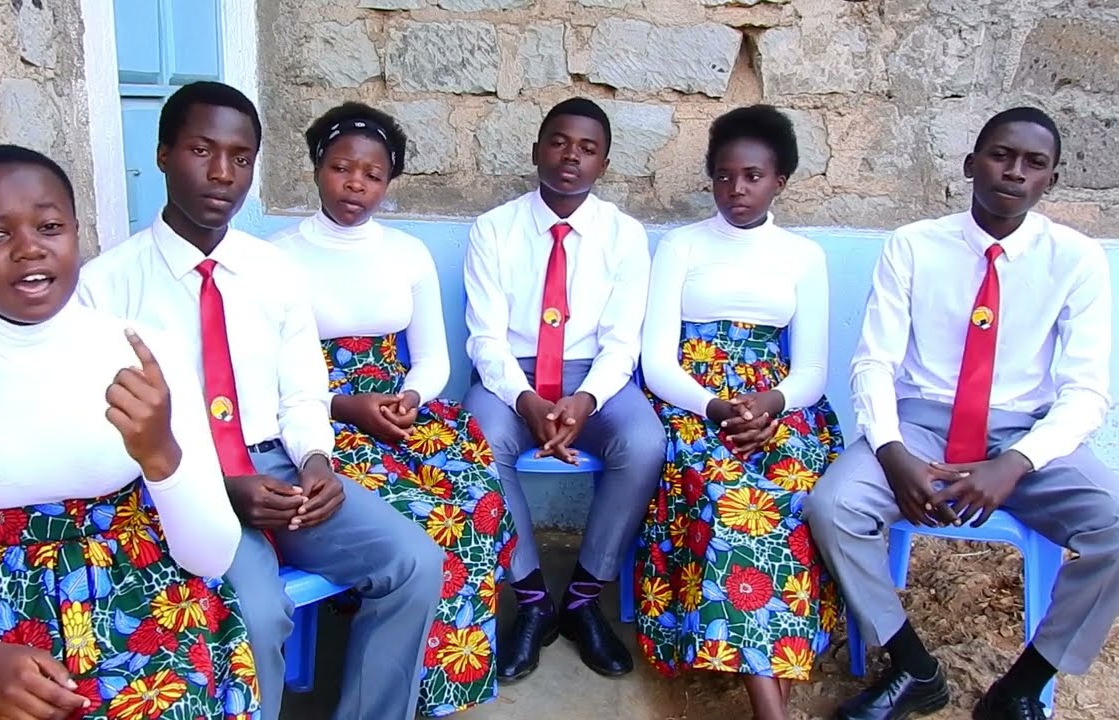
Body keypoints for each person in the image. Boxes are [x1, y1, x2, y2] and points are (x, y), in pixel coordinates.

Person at [77, 81, 443, 720]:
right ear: (162, 154)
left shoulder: (274, 273)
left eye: (241, 157)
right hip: (175, 483)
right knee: (257, 609)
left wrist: (317, 464)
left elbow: (303, 390)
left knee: (413, 562)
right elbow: (103, 430)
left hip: (278, 470)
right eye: (201, 150)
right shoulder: (106, 287)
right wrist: (217, 483)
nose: (222, 173)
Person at [0, 144, 259, 719]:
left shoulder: (143, 357)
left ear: (76, 232)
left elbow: (211, 557)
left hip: (140, 601)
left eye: (49, 226)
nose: (29, 249)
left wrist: (161, 456)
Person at [804, 107, 1119, 720]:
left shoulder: (1077, 259)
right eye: (1000, 155)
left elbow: (1087, 390)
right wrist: (892, 453)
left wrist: (1014, 463)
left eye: (1033, 164)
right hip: (921, 425)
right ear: (970, 165)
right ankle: (912, 666)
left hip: (1026, 434)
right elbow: (874, 362)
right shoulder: (914, 246)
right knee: (834, 505)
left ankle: (1020, 688)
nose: (1014, 172)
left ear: (1050, 182)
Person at [269, 101, 515, 716]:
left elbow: (432, 358)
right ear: (316, 168)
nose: (355, 184)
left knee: (478, 500)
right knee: (420, 514)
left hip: (399, 411)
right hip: (320, 419)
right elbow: (268, 376)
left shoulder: (406, 253)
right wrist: (346, 404)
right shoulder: (275, 258)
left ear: (389, 181)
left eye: (372, 174)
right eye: (341, 168)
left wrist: (409, 398)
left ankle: (443, 683)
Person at [638, 105, 844, 720]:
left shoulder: (803, 256)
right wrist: (716, 405)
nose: (738, 189)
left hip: (778, 404)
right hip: (691, 402)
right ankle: (769, 706)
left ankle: (762, 675)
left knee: (792, 495)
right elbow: (656, 361)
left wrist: (771, 404)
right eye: (724, 176)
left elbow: (810, 370)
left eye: (753, 176)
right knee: (734, 504)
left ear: (780, 180)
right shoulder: (681, 246)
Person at [462, 96, 667, 684]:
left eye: (587, 148)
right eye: (558, 141)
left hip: (593, 375)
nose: (570, 156)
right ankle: (532, 602)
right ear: (535, 151)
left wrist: (585, 401)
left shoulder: (624, 235)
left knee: (645, 443)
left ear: (603, 164)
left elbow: (622, 342)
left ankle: (581, 599)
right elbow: (485, 337)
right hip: (511, 376)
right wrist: (525, 400)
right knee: (476, 439)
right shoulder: (493, 230)